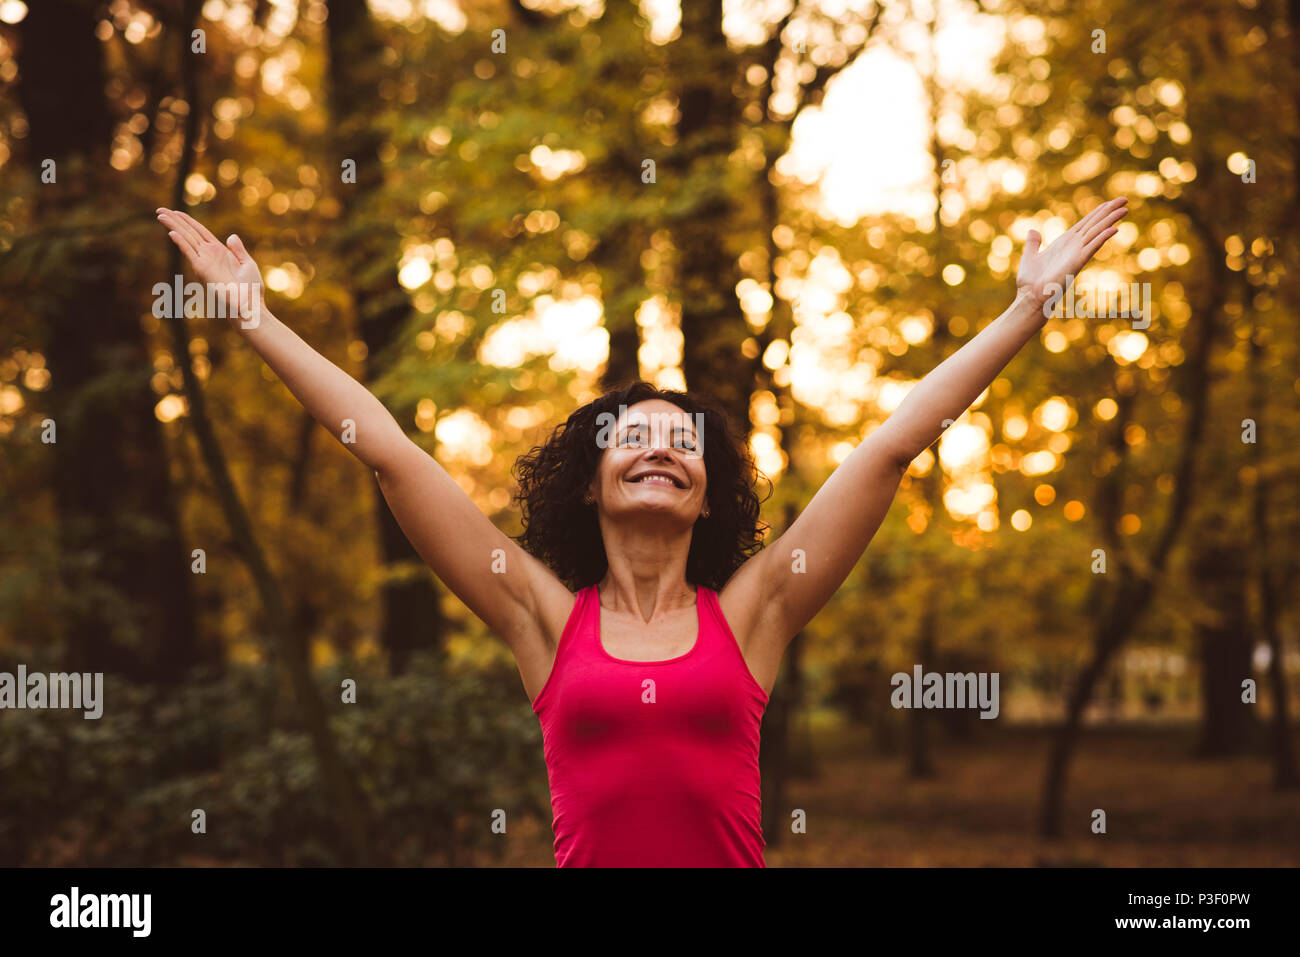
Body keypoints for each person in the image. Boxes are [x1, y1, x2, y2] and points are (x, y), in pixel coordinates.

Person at [155, 197, 1128, 866]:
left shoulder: (753, 615)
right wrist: (256, 322)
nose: (661, 450)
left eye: (684, 443)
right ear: (589, 484)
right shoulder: (543, 617)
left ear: (707, 497)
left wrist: (1026, 309)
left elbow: (887, 451)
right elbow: (393, 455)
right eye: (634, 438)